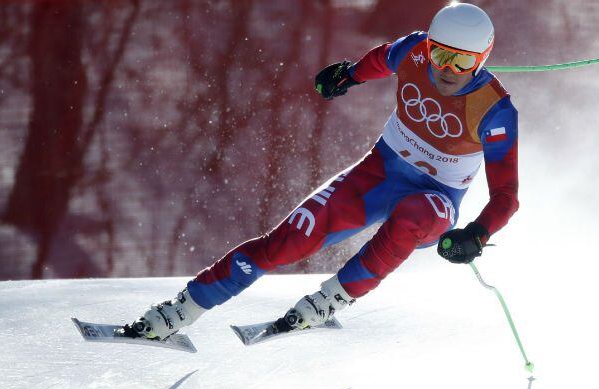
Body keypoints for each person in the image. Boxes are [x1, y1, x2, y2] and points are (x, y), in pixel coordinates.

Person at [129, 2, 519, 340]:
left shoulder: (495, 110)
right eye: (441, 55)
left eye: (462, 60)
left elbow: (506, 196)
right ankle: (182, 309)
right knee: (284, 244)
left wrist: (477, 233)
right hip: (378, 174)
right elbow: (383, 58)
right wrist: (348, 75)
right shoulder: (414, 49)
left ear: (481, 58)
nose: (447, 69)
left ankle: (332, 298)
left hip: (435, 201)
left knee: (413, 217)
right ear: (429, 46)